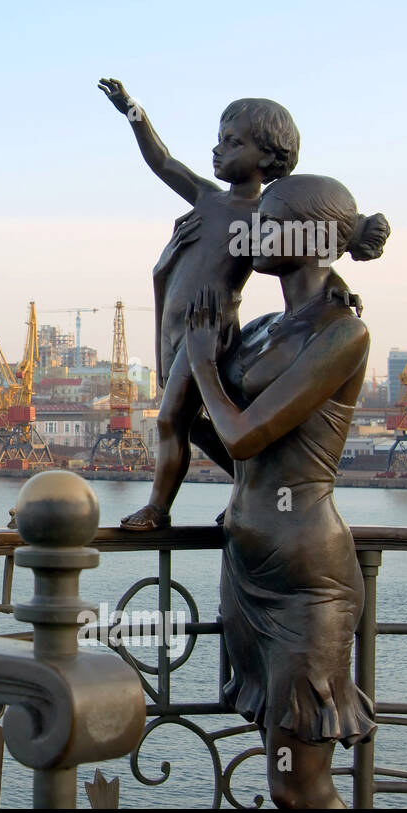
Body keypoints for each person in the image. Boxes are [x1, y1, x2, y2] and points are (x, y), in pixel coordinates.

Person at [183, 173, 389, 808]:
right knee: (277, 776)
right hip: (246, 566)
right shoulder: (266, 325)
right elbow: (237, 454)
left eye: (267, 221)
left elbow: (244, 436)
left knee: (300, 785)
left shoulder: (342, 333)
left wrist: (201, 365)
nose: (252, 232)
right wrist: (187, 398)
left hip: (307, 582)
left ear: (314, 235)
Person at [96, 79, 300, 530]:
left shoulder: (263, 215)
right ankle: (253, 484)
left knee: (170, 420)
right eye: (219, 139)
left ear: (267, 156)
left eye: (233, 142)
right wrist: (133, 112)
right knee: (192, 424)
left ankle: (157, 509)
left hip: (207, 328)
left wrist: (335, 287)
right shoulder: (208, 198)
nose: (218, 150)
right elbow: (163, 161)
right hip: (172, 328)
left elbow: (303, 253)